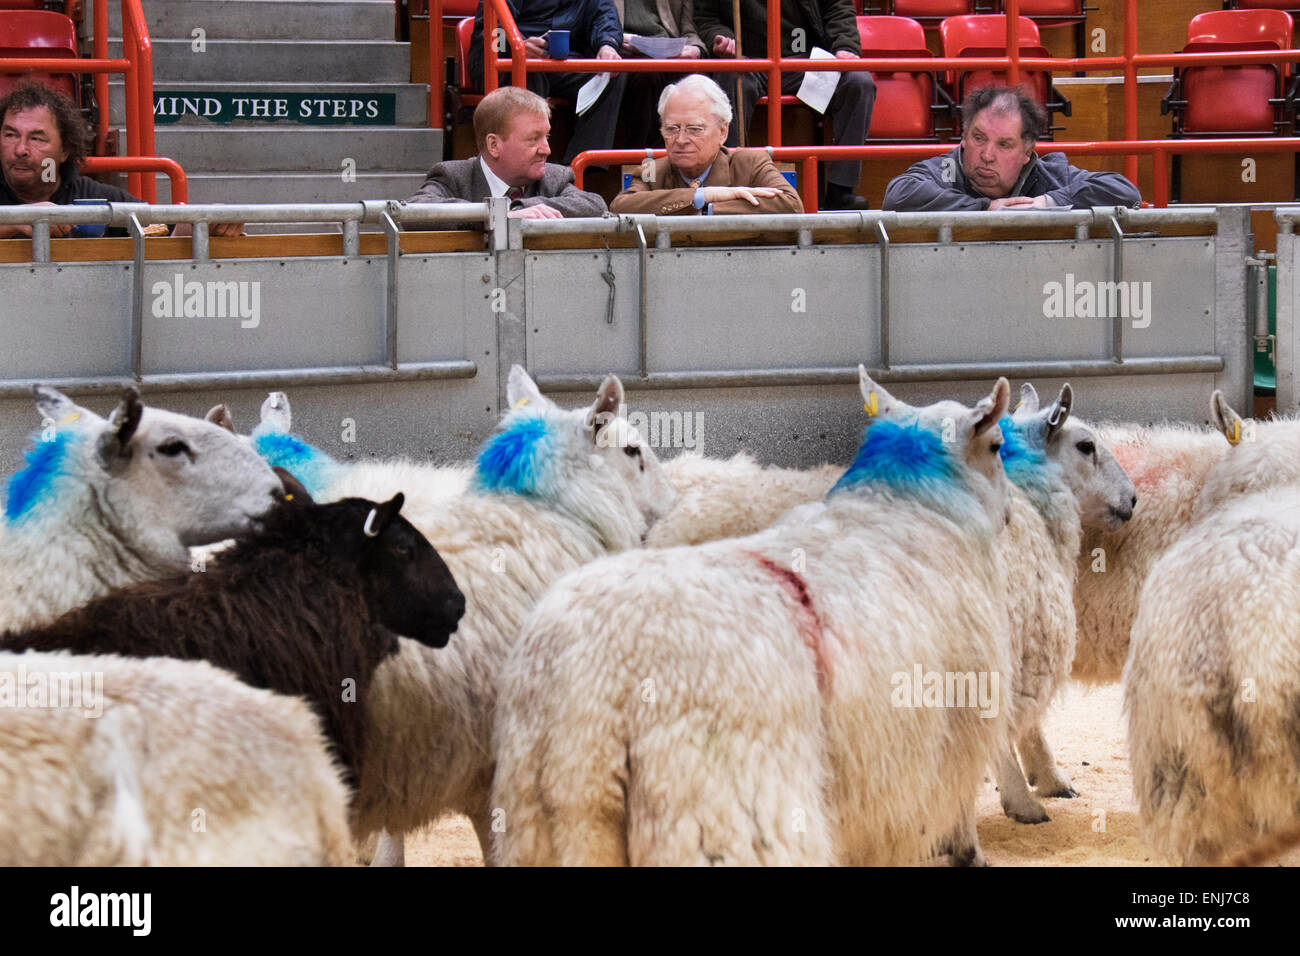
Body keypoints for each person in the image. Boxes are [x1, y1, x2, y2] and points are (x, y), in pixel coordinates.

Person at [695, 0, 874, 210]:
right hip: (747, 59)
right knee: (730, 81)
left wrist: (845, 46)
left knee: (858, 83)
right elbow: (706, 18)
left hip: (806, 60)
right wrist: (722, 39)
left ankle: (840, 191)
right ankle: (733, 188)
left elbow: (837, 7)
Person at [0, 83, 241, 239]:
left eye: (37, 138)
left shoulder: (96, 197)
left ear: (65, 150)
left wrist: (207, 222)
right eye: (10, 135)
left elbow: (167, 236)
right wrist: (16, 221)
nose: (21, 149)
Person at [883, 86, 1142, 212]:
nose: (986, 155)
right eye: (978, 138)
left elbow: (1125, 192)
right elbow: (898, 195)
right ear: (963, 137)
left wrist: (1045, 204)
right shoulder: (946, 170)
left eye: (1004, 144)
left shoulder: (1050, 174)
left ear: (1027, 152)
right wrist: (987, 209)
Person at [404, 86, 607, 219]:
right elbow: (415, 211)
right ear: (494, 145)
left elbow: (594, 206)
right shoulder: (452, 176)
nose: (547, 150)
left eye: (547, 136)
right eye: (533, 139)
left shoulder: (555, 177)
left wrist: (520, 208)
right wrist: (501, 215)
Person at [611, 74, 802, 215]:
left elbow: (791, 205)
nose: (681, 140)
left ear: (723, 131)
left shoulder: (750, 164)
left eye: (694, 129)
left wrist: (707, 209)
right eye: (672, 128)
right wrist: (702, 195)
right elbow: (621, 207)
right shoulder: (651, 169)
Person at [467, 0, 626, 163]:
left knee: (611, 73)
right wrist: (517, 46)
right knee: (531, 71)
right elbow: (491, 29)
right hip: (500, 60)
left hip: (555, 61)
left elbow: (605, 15)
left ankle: (580, 169)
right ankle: (527, 165)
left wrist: (608, 45)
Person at [613, 0, 706, 149]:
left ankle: (686, 160)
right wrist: (613, 41)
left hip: (670, 51)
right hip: (625, 52)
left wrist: (695, 48)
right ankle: (643, 162)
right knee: (647, 76)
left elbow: (689, 30)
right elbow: (598, 24)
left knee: (697, 79)